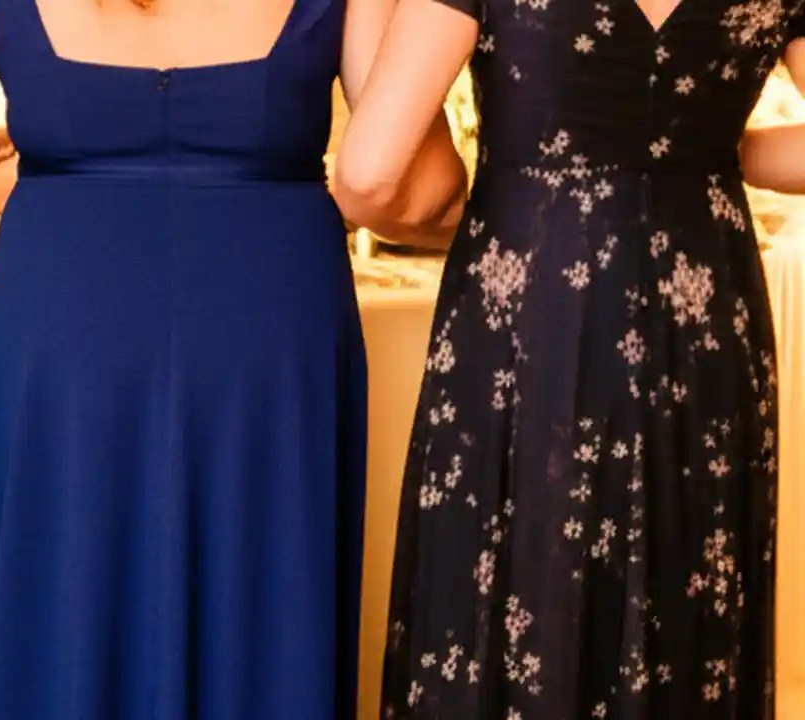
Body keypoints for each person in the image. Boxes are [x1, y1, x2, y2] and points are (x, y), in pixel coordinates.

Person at [0, 0, 464, 716]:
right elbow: (418, 188)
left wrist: (40, 154)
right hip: (269, 339)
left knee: (59, 603)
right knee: (265, 608)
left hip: (65, 329)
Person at [338, 0, 805, 715]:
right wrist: (719, 150)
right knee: (683, 602)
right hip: (705, 316)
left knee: (521, 589)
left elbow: (370, 174)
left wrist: (473, 216)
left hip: (532, 312)